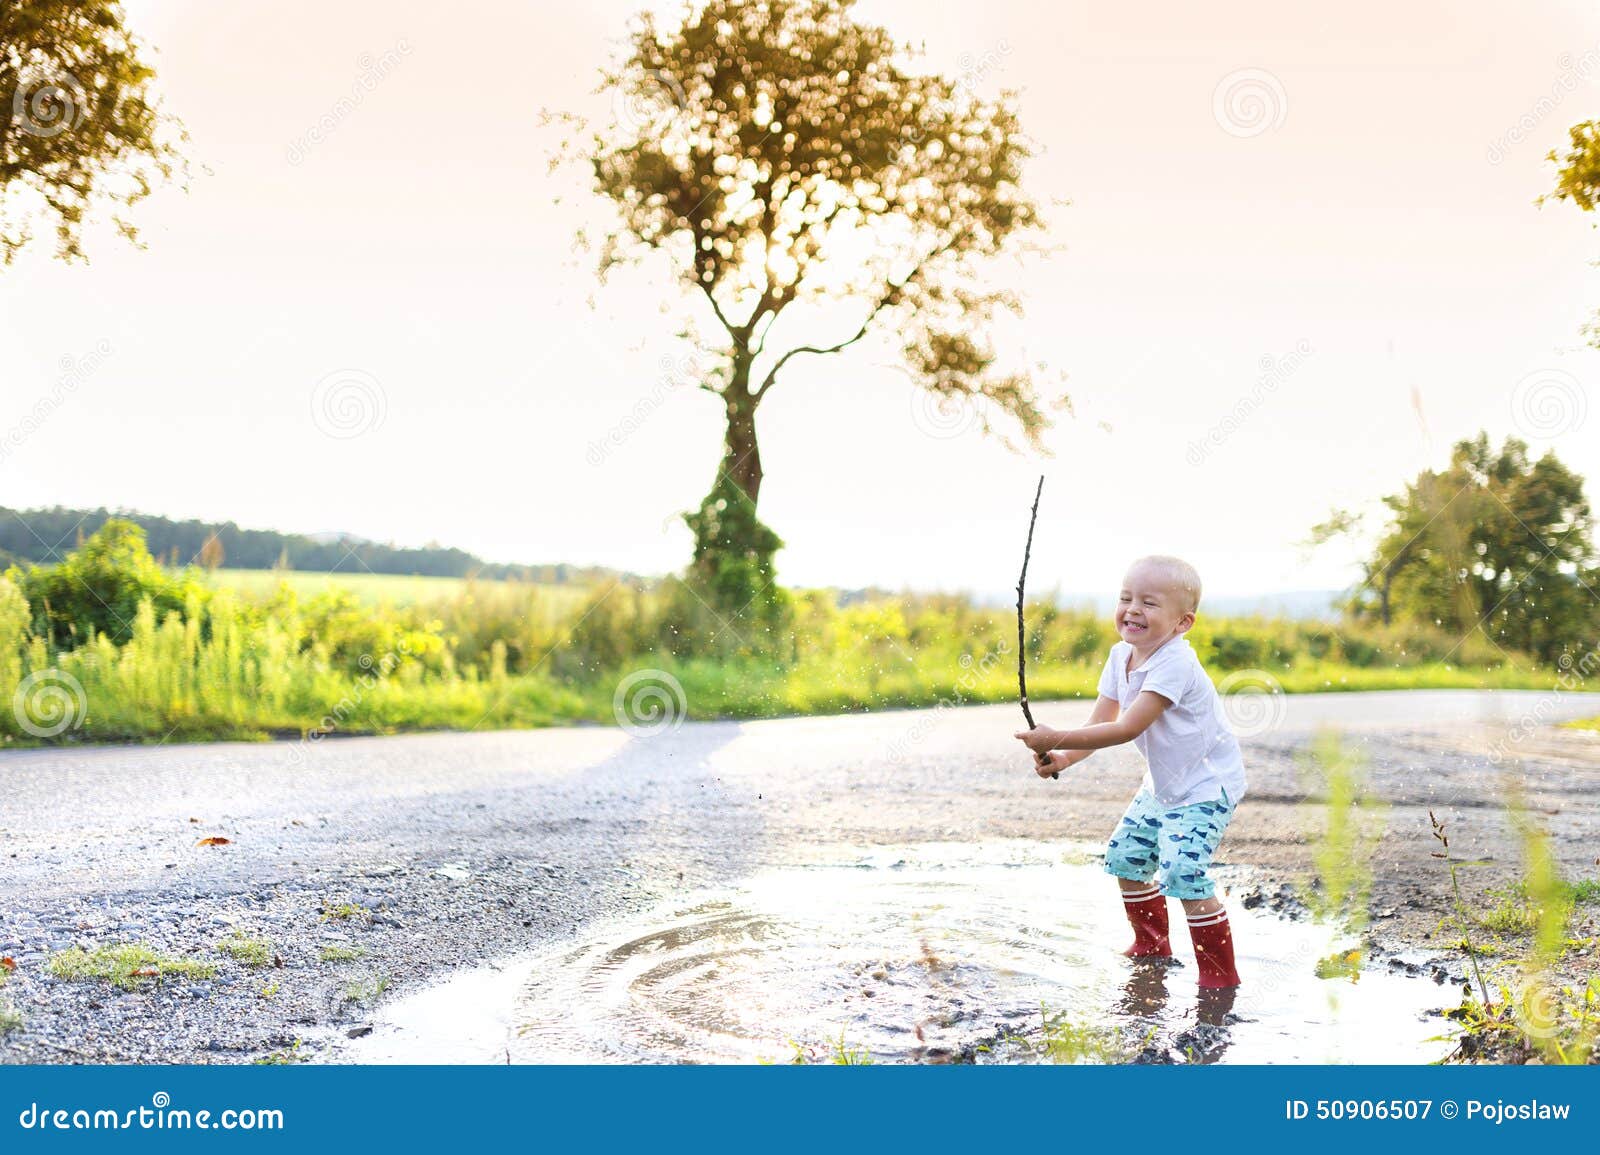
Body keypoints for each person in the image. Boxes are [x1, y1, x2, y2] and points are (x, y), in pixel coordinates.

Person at [1014, 555, 1246, 989]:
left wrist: (1054, 738)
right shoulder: (1121, 655)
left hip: (1205, 787)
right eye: (1126, 598)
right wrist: (1062, 758)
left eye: (1150, 603)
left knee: (1182, 871)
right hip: (1162, 784)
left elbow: (1126, 728)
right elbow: (1101, 719)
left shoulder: (1175, 663)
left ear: (1183, 623)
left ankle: (1219, 973)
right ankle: (1152, 943)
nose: (1133, 609)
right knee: (1126, 856)